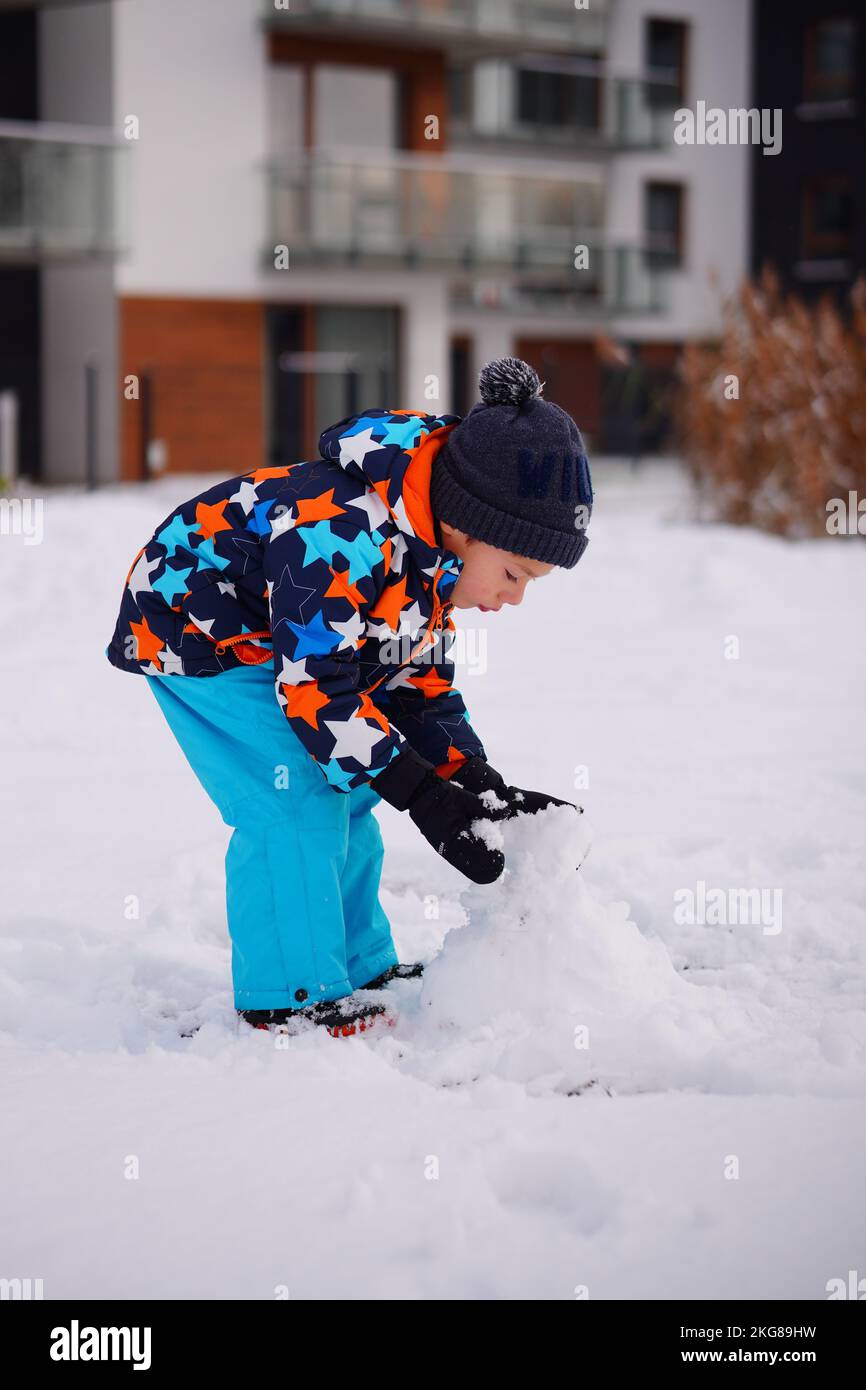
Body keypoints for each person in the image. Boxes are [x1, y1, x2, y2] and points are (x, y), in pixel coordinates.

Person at [105, 357, 593, 1036]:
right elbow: (317, 693)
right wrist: (421, 795)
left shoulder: (428, 563)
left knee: (355, 785)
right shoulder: (337, 534)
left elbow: (417, 694)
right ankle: (290, 992)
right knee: (293, 796)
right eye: (514, 573)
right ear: (466, 524)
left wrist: (473, 785)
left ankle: (358, 962)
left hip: (296, 653)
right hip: (200, 633)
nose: (513, 597)